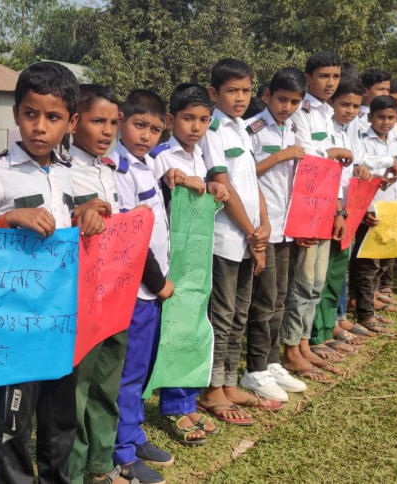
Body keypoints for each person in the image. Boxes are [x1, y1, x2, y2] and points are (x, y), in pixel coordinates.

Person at [0, 61, 105, 484]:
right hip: (15, 319)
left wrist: (93, 213)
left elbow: (94, 216)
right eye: (31, 114)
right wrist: (10, 219)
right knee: (14, 417)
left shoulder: (73, 174)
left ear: (71, 122)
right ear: (16, 114)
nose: (40, 127)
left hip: (63, 316)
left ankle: (57, 477)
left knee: (61, 412)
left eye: (53, 117)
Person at [149, 83, 229, 446]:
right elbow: (156, 197)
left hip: (196, 261)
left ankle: (185, 399)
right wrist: (172, 183)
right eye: (187, 118)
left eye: (203, 120)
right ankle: (173, 404)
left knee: (195, 327)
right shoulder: (161, 156)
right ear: (170, 120)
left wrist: (215, 191)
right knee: (176, 329)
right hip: (170, 261)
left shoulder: (199, 156)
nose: (196, 127)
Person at [198, 58, 272, 426]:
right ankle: (212, 388)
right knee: (221, 315)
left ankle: (229, 382)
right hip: (226, 239)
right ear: (214, 93)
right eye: (232, 91)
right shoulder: (211, 129)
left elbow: (251, 181)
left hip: (249, 236)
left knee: (240, 313)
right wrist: (250, 233)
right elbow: (223, 187)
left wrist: (265, 224)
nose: (241, 98)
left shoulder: (242, 128)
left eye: (246, 90)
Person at [65, 83, 130, 484]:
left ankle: (100, 466)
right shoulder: (62, 172)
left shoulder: (109, 169)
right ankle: (72, 469)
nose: (107, 131)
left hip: (115, 292)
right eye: (97, 121)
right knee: (76, 391)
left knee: (107, 381)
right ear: (74, 123)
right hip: (81, 296)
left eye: (112, 123)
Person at [108, 89, 173, 484]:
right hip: (135, 290)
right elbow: (131, 239)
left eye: (154, 129)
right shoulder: (118, 169)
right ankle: (122, 453)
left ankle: (133, 434)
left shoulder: (147, 165)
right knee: (127, 374)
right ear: (121, 121)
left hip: (150, 291)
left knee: (142, 370)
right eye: (139, 125)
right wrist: (159, 282)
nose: (146, 135)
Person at [282, 51, 351, 378]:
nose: (330, 83)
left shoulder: (328, 114)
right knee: (303, 281)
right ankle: (291, 347)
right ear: (308, 77)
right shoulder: (301, 110)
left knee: (317, 282)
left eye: (335, 77)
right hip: (305, 208)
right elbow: (305, 155)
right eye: (324, 76)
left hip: (327, 205)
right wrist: (332, 152)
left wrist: (339, 208)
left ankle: (305, 342)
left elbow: (334, 170)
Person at [243, 68, 311, 398]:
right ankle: (255, 368)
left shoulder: (295, 127)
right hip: (262, 225)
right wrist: (281, 156)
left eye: (295, 101)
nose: (287, 107)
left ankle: (271, 362)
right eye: (282, 99)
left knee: (281, 298)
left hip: (287, 225)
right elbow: (243, 174)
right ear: (268, 95)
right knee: (265, 300)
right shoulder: (253, 129)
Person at [313, 77, 372, 354]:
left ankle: (330, 325)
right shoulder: (324, 127)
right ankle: (318, 333)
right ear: (333, 103)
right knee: (319, 276)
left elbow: (353, 166)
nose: (350, 110)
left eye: (356, 106)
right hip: (328, 208)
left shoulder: (353, 131)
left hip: (349, 209)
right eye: (345, 104)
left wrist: (362, 170)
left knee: (337, 272)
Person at [350, 95, 397, 336]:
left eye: (391, 117)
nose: (386, 122)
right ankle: (364, 312)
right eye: (381, 117)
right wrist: (365, 210)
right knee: (367, 264)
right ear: (370, 117)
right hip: (371, 210)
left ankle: (367, 302)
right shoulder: (363, 140)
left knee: (384, 262)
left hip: (392, 209)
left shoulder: (396, 141)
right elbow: (362, 163)